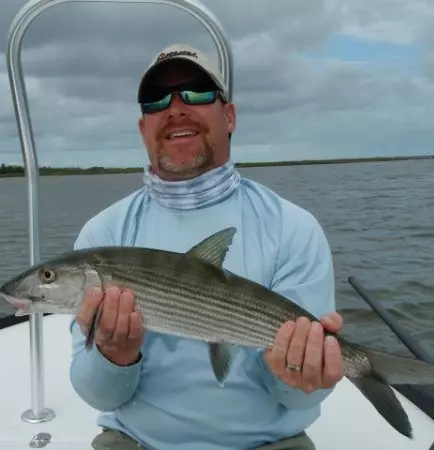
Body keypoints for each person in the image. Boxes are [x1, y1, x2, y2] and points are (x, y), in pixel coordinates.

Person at [69, 43, 344, 450]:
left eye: (197, 92)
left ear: (229, 116)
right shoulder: (102, 233)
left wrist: (296, 372)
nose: (176, 107)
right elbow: (99, 396)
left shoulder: (293, 228)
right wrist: (114, 355)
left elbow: (299, 396)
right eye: (156, 99)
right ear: (143, 127)